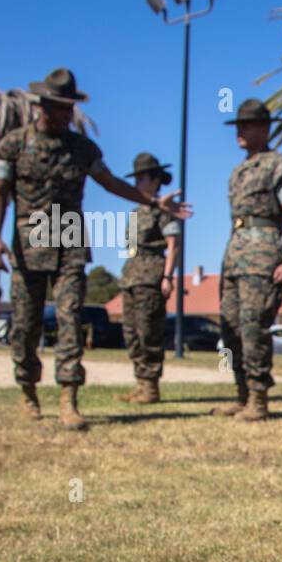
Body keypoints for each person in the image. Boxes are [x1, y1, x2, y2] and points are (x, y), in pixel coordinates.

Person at [0, 68, 190, 431]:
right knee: (26, 323)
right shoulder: (14, 144)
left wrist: (155, 203)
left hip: (69, 237)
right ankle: (28, 391)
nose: (68, 116)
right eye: (61, 108)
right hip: (30, 235)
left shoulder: (82, 148)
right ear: (43, 106)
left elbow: (110, 182)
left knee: (69, 318)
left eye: (71, 109)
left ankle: (69, 397)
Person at [212, 99, 282, 422]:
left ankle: (258, 397)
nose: (240, 131)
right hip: (235, 256)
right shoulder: (238, 172)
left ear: (265, 129)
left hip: (264, 256)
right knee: (231, 327)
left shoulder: (279, 166)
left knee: (254, 327)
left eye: (248, 125)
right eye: (238, 125)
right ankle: (242, 394)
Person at [114, 153, 180, 405]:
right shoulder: (135, 213)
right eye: (136, 178)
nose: (138, 183)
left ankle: (151, 386)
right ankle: (140, 385)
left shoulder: (164, 211)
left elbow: (174, 244)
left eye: (142, 178)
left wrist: (167, 277)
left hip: (151, 276)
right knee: (131, 332)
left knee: (148, 331)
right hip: (131, 276)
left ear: (155, 180)